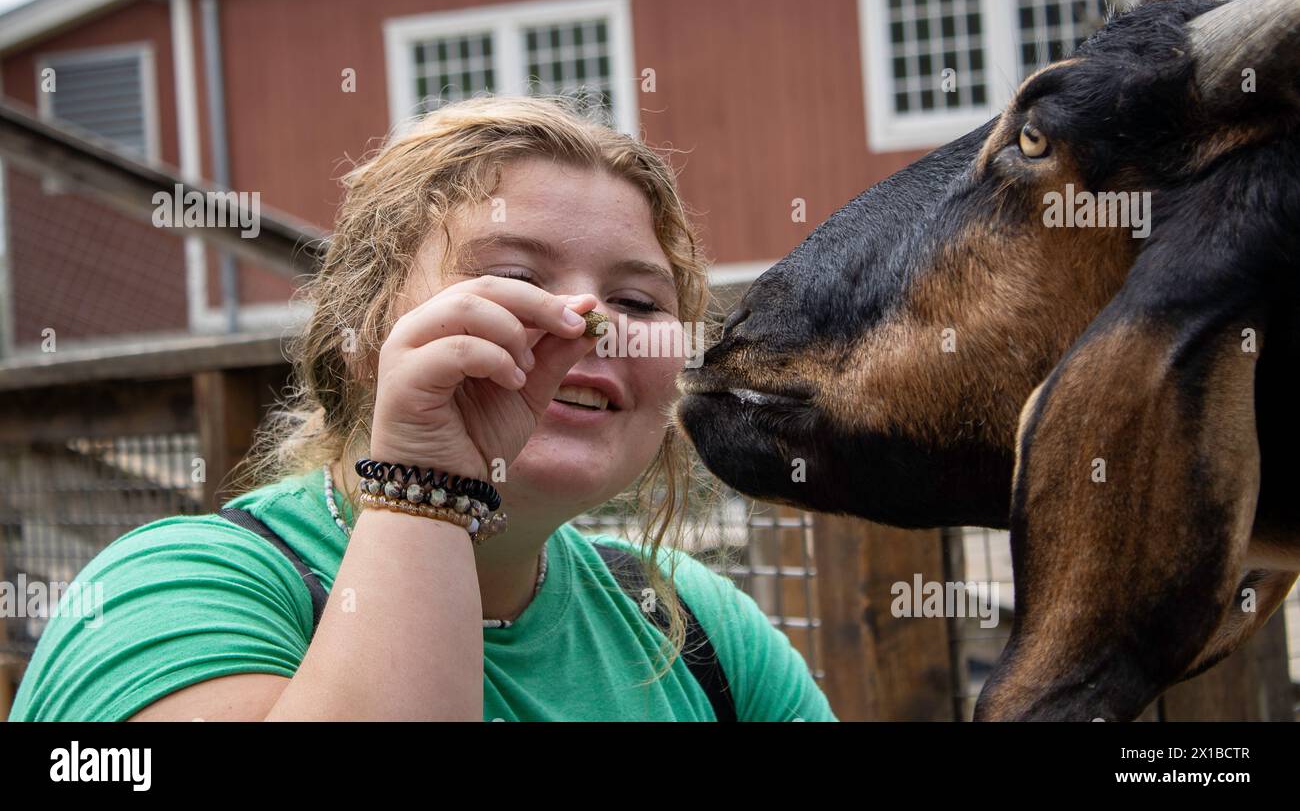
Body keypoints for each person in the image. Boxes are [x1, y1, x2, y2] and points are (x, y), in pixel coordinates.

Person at [8, 95, 837, 722]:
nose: (588, 323)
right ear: (362, 333)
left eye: (639, 300)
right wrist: (425, 481)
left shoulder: (690, 624)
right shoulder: (166, 595)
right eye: (514, 280)